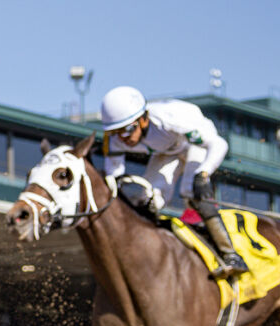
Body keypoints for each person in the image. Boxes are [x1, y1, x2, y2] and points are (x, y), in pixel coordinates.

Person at [98, 85, 244, 278]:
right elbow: (113, 178)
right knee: (149, 198)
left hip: (193, 145)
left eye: (127, 130)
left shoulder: (170, 119)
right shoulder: (115, 139)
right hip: (167, 152)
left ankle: (231, 255)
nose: (122, 138)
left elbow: (219, 144)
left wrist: (204, 173)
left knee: (191, 191)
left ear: (143, 119)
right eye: (115, 132)